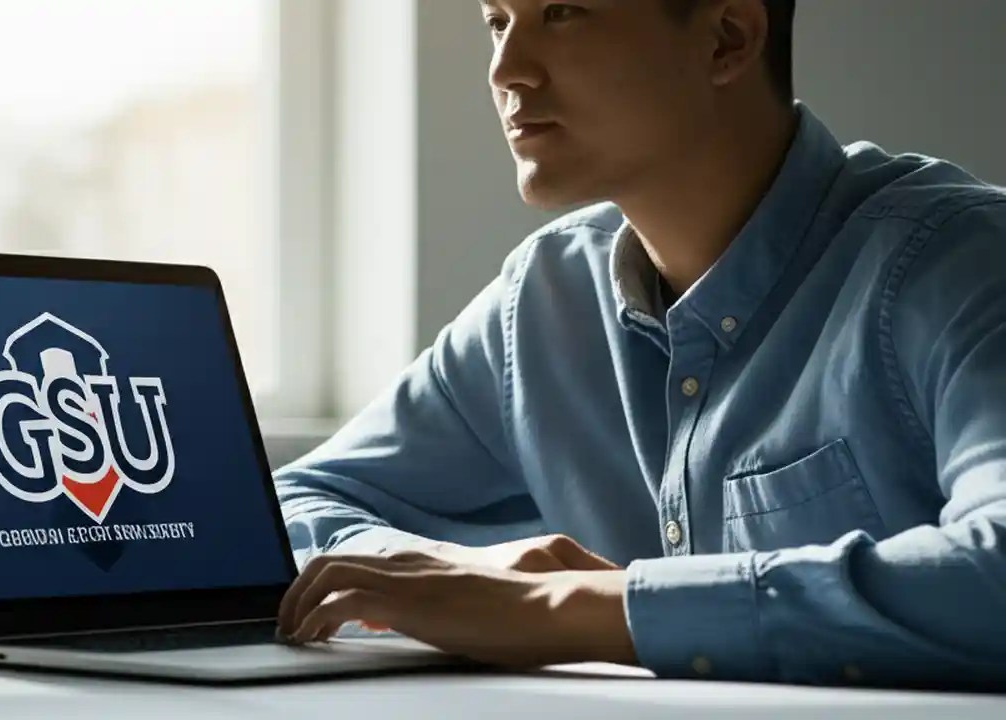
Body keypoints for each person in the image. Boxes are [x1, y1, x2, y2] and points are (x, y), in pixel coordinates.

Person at [273, 0, 1006, 688]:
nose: (506, 70)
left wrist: (584, 609)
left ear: (728, 39)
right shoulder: (545, 301)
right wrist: (451, 573)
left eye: (562, 13)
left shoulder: (960, 265)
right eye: (498, 21)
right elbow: (290, 502)